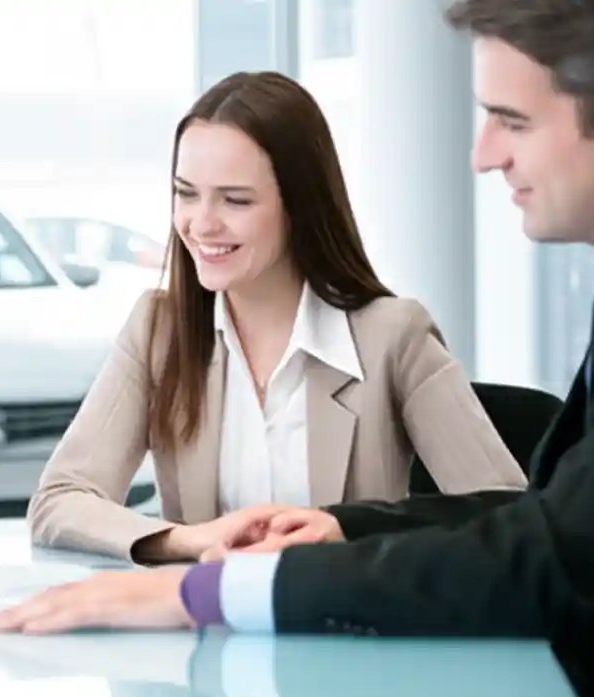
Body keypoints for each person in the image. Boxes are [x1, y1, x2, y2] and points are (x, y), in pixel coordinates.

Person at [0, 1, 594, 697]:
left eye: (510, 120)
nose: (483, 156)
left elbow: (545, 553)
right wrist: (338, 526)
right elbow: (547, 518)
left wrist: (208, 592)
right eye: (187, 193)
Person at [27, 70, 526, 563]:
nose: (201, 223)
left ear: (300, 205)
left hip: (347, 629)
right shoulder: (160, 331)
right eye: (186, 193)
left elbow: (508, 514)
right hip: (203, 625)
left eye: (235, 200)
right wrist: (191, 540)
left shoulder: (392, 337)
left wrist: (351, 531)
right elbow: (60, 501)